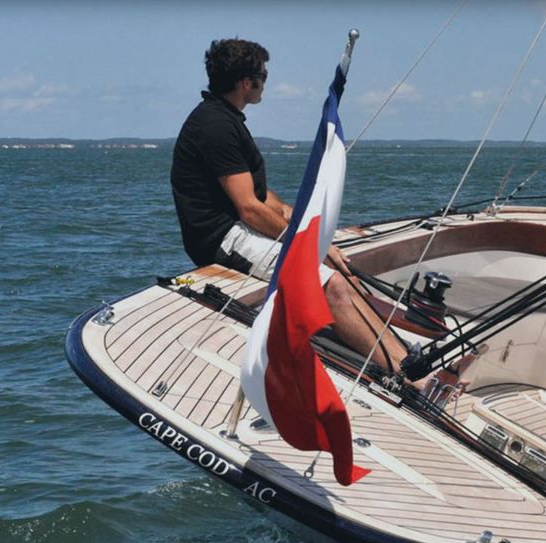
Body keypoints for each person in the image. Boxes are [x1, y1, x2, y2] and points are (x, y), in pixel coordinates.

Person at [170, 38, 430, 382]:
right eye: (263, 73)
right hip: (221, 238)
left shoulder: (226, 118)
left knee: (343, 273)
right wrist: (303, 242)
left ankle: (401, 353)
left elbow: (260, 196)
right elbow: (248, 208)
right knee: (332, 285)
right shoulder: (215, 127)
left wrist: (292, 213)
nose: (267, 79)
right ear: (247, 82)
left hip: (237, 228)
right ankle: (409, 375)